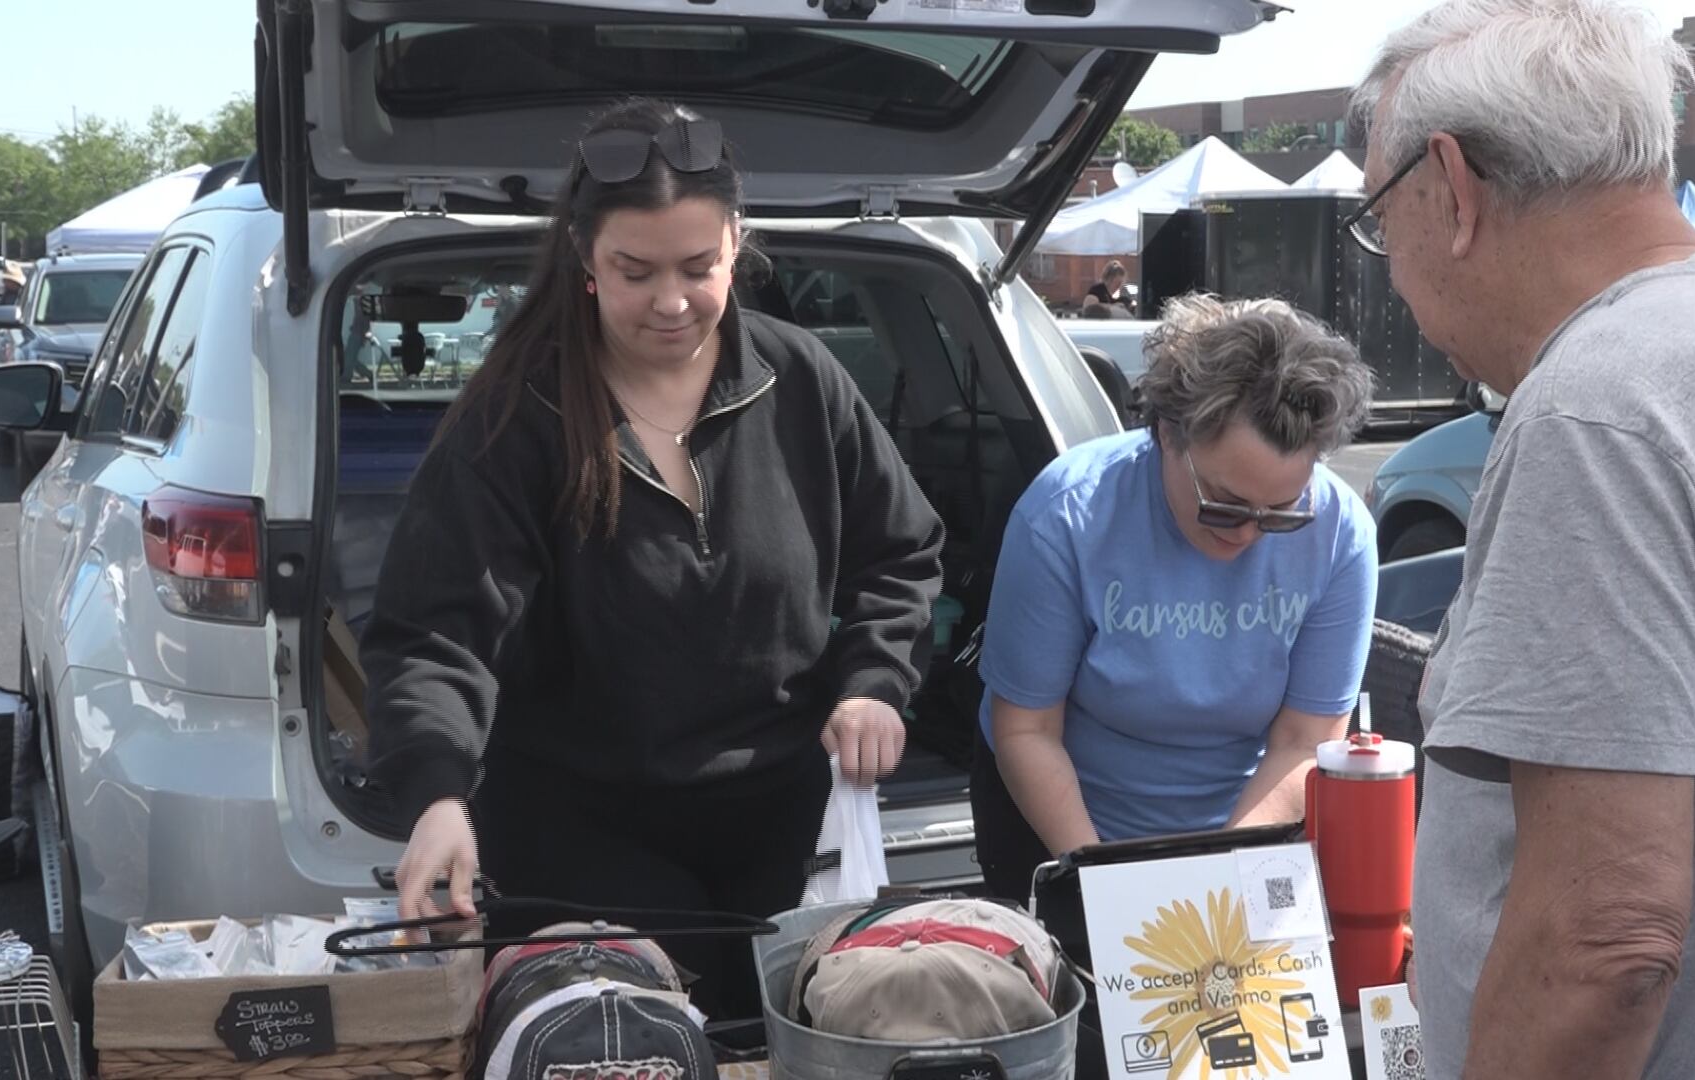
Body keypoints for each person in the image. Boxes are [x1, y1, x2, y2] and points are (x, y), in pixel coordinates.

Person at [1345, 2, 1695, 1076]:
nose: (1392, 265)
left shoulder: (1601, 414)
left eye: (1382, 215)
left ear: (1453, 186)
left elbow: (1604, 946)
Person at [361, 96, 945, 1020]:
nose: (671, 302)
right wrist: (436, 795)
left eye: (697, 267)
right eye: (635, 272)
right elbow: (435, 631)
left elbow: (901, 551)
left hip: (782, 835)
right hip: (578, 838)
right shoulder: (517, 417)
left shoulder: (800, 379)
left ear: (737, 242)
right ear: (584, 261)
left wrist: (873, 680)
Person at [971, 293, 1378, 900]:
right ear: (1166, 433)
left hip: (1247, 821)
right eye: (1223, 503)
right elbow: (1027, 730)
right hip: (1056, 819)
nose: (1246, 533)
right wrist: (1097, 880)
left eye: (1280, 516)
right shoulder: (1066, 516)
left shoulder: (1340, 532)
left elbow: (1303, 740)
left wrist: (1226, 873)